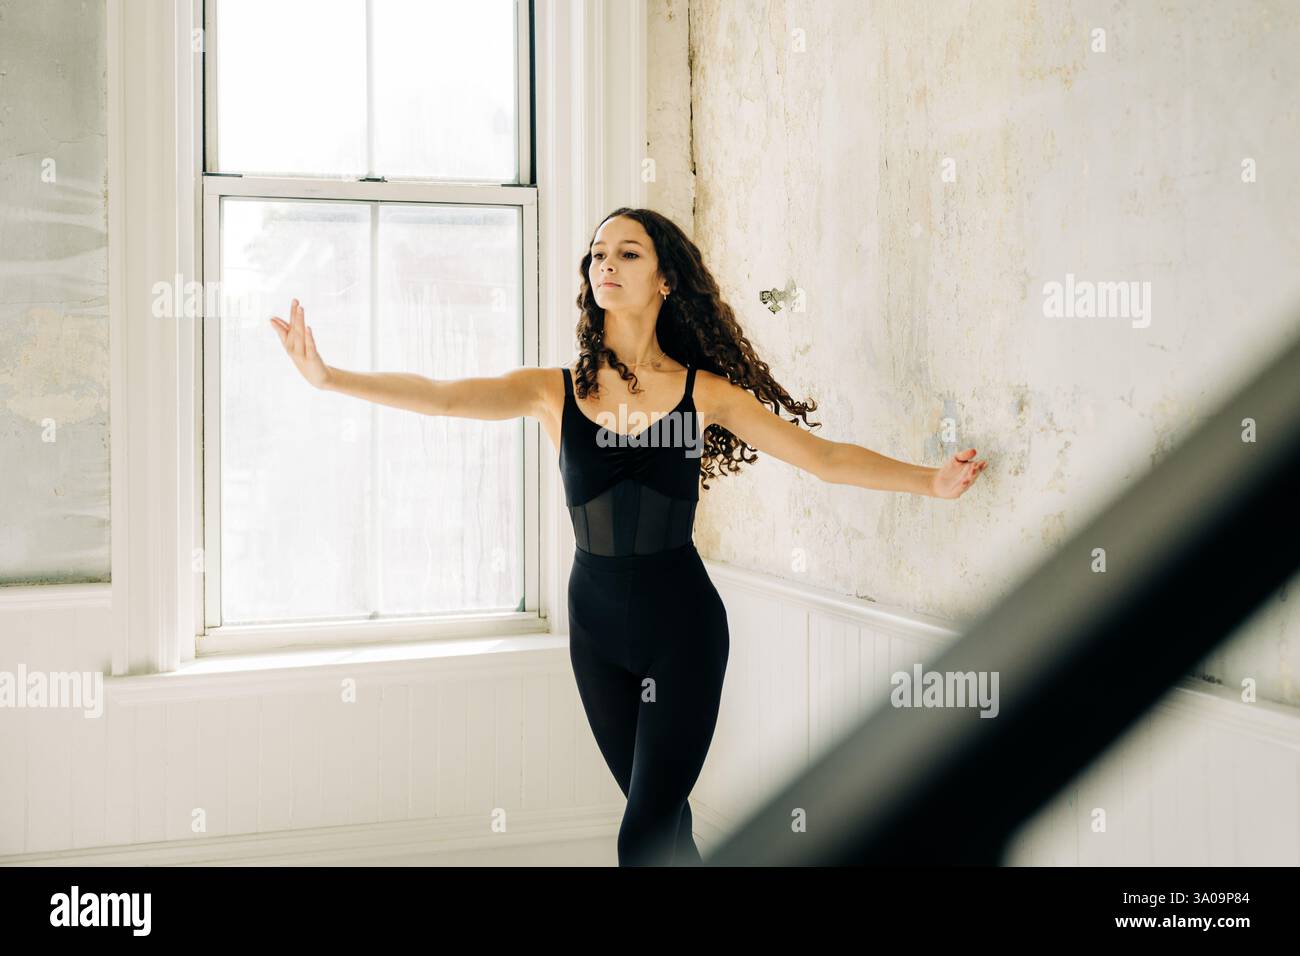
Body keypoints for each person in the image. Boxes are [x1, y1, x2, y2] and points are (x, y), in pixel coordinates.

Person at [269, 207, 988, 866]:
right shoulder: (552, 390)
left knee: (641, 836)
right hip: (596, 634)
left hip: (683, 633)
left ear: (665, 278)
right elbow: (444, 396)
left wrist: (929, 481)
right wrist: (329, 378)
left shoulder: (705, 394)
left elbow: (822, 458)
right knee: (667, 830)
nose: (606, 263)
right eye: (597, 254)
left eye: (628, 253)